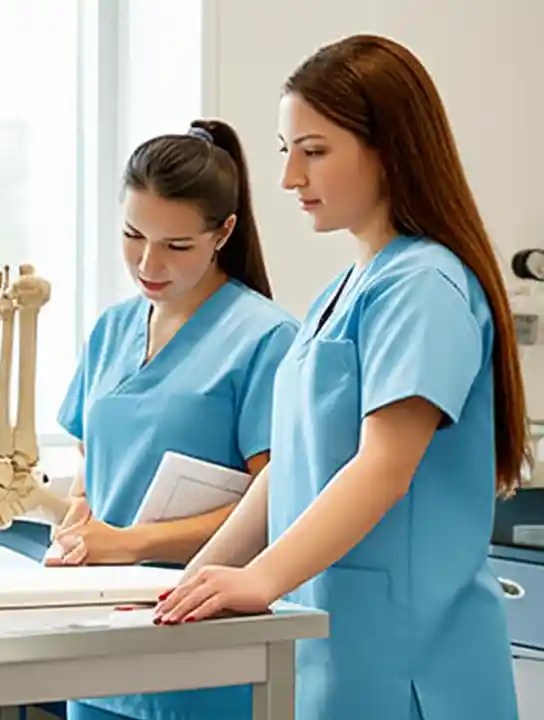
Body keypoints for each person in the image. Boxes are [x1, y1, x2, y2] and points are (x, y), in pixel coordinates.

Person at [154, 34, 526, 720]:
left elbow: (383, 466)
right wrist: (188, 584)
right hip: (337, 657)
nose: (291, 178)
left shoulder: (426, 286)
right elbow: (290, 470)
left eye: (315, 151)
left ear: (389, 147)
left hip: (414, 670)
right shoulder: (342, 291)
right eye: (285, 151)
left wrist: (261, 578)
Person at [49, 119, 297, 720]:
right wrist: (80, 524)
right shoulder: (112, 328)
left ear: (224, 233)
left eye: (176, 245)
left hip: (205, 642)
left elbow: (279, 501)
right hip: (103, 634)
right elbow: (94, 461)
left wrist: (133, 544)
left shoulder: (266, 337)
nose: (148, 262)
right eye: (134, 235)